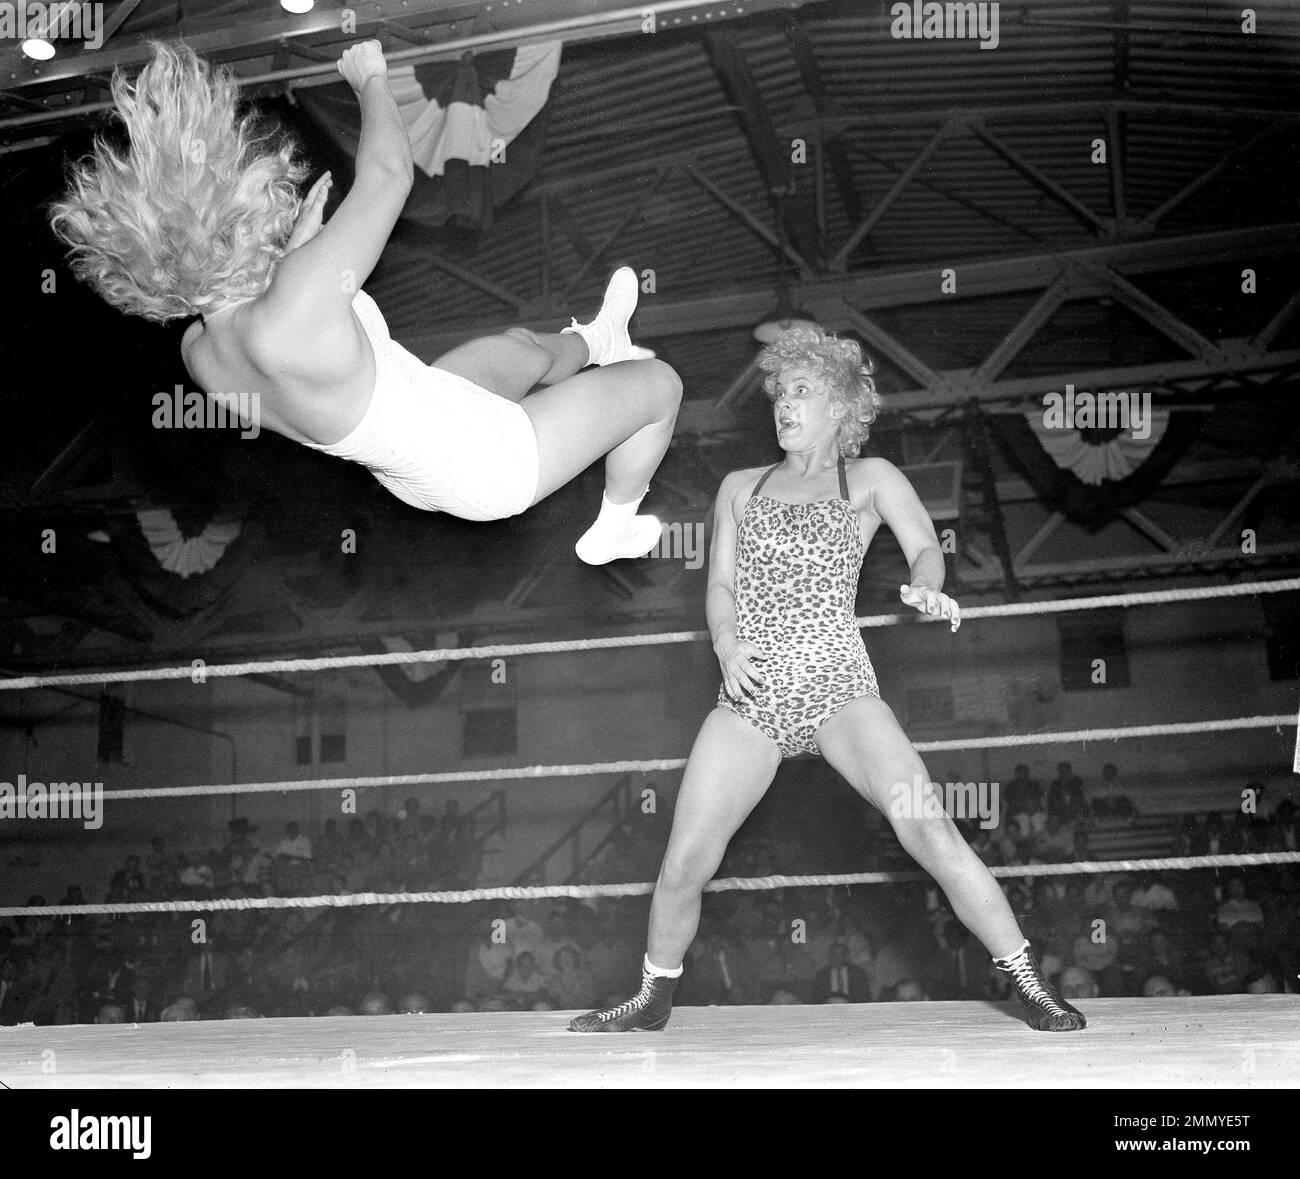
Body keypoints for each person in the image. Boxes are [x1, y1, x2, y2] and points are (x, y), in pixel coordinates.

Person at [569, 327, 1084, 1035]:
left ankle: (1029, 979)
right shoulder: (738, 488)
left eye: (802, 390)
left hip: (838, 682)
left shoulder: (870, 478)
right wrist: (726, 643)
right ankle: (653, 993)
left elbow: (926, 547)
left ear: (843, 403)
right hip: (752, 693)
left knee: (926, 824)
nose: (784, 402)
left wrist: (928, 587)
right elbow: (719, 585)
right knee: (686, 855)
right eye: (780, 391)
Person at [49, 40, 679, 563]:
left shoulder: (200, 350)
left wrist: (302, 251)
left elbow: (267, 321)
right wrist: (371, 78)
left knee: (522, 351)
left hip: (423, 441)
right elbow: (389, 176)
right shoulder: (294, 305)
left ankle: (600, 341)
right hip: (488, 463)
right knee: (658, 387)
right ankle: (615, 526)